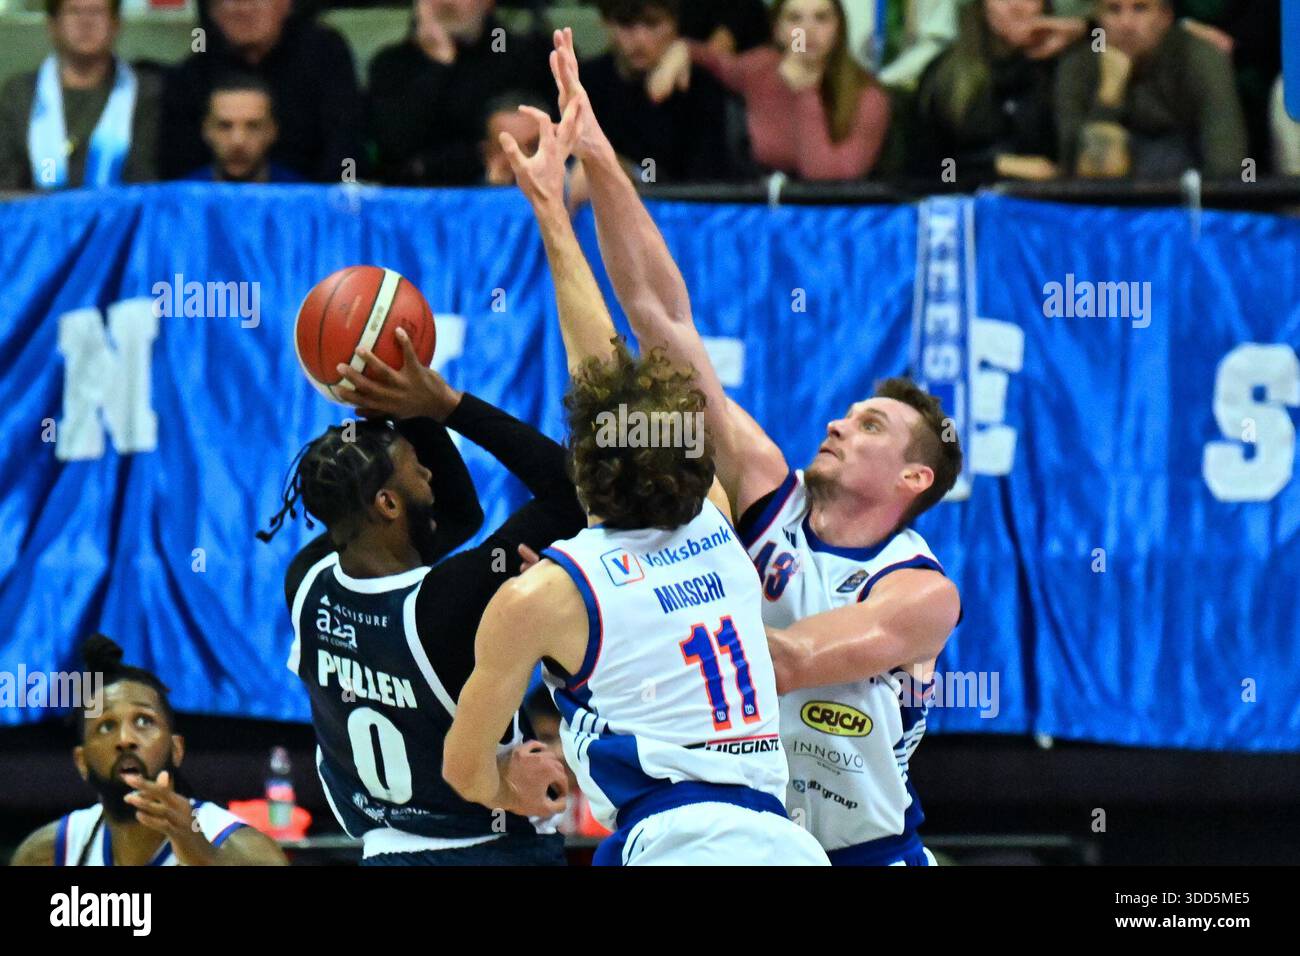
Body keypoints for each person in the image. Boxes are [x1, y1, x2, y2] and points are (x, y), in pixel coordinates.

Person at [527, 29, 964, 866]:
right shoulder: (771, 492)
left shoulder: (919, 593)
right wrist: (600, 156)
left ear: (914, 476)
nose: (839, 424)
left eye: (870, 425)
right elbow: (663, 318)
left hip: (864, 853)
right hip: (737, 836)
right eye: (847, 413)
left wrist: (605, 618)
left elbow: (790, 660)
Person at [443, 83, 829, 866]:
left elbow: (460, 767)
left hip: (682, 842)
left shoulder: (540, 596)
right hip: (787, 843)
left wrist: (506, 785)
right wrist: (556, 212)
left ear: (582, 465)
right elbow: (609, 391)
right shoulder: (716, 522)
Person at [261, 344, 585, 864]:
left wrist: (402, 409)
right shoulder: (445, 603)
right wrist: (446, 405)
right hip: (489, 850)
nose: (431, 475)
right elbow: (572, 493)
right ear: (388, 504)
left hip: (384, 852)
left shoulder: (306, 582)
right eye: (417, 470)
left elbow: (455, 515)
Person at [9, 635, 287, 866]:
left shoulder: (239, 846)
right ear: (81, 761)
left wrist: (204, 855)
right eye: (106, 726)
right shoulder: (48, 854)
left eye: (144, 721)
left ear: (177, 749)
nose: (126, 739)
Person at [653, 0, 891, 181]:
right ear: (777, 30)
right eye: (795, 19)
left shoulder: (868, 97)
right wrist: (680, 50)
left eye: (821, 18)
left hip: (837, 223)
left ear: (839, 30)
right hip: (766, 211)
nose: (806, 31)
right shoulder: (761, 68)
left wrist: (806, 92)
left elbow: (825, 178)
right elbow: (715, 60)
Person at [159, 0, 363, 181]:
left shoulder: (325, 56)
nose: (244, 9)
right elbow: (176, 169)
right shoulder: (191, 73)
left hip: (308, 208)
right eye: (230, 1)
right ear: (212, 11)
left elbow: (345, 149)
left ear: (286, 5)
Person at [1054, 0, 1247, 179]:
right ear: (1098, 18)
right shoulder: (1078, 64)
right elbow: (1079, 175)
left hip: (1188, 199)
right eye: (1114, 9)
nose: (1126, 24)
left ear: (1166, 17)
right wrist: (1109, 96)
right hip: (1106, 208)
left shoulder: (1200, 58)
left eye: (1140, 8)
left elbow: (1226, 166)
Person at [368, 0, 553, 185]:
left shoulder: (525, 58)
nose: (447, 3)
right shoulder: (390, 66)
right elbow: (394, 150)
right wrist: (438, 66)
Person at [916, 0, 1079, 187]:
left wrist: (1084, 31)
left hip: (1060, 207)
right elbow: (927, 170)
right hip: (972, 205)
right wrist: (997, 166)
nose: (1016, 6)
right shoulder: (947, 74)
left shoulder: (1069, 65)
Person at [0, 0, 160, 191]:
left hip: (123, 218)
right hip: (36, 218)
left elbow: (149, 179)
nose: (86, 22)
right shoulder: (20, 94)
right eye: (74, 11)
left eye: (97, 11)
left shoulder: (147, 93)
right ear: (53, 25)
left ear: (116, 23)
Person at [586, 0, 744, 183]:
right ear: (606, 24)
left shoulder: (701, 88)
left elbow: (706, 182)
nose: (639, 39)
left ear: (675, 23)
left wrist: (632, 173)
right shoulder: (584, 82)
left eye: (652, 24)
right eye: (625, 24)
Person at [182, 74, 303, 182]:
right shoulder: (179, 197)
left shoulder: (303, 198)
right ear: (206, 130)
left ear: (272, 131)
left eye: (253, 126)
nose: (238, 141)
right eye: (225, 126)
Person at [481, 90, 548, 185]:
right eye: (509, 148)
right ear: (488, 154)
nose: (524, 160)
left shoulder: (571, 190)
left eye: (534, 147)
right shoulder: (466, 196)